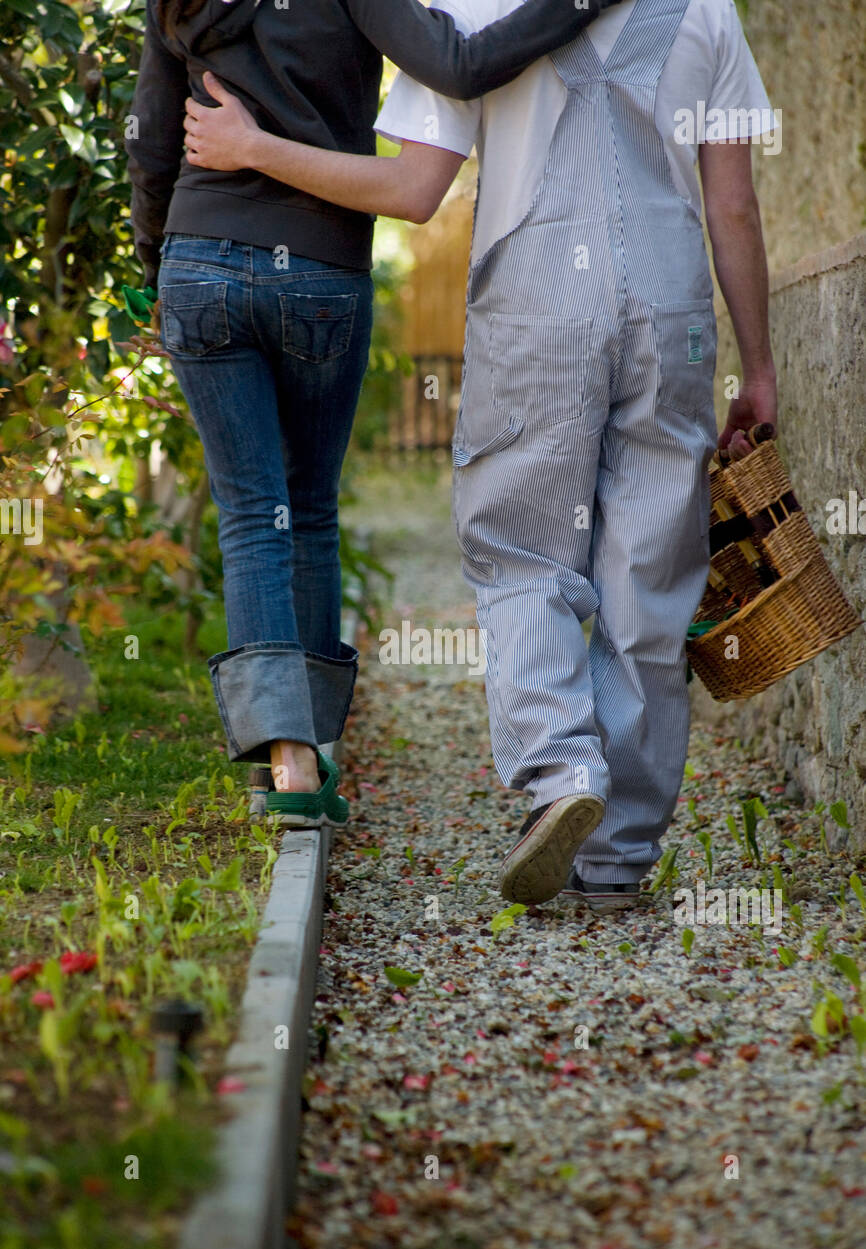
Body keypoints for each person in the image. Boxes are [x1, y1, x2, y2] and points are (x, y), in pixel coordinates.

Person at [182, 0, 778, 909]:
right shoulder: (706, 10)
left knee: (522, 550)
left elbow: (414, 191)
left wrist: (255, 149)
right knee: (652, 575)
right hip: (674, 309)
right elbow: (731, 203)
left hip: (539, 304)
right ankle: (617, 861)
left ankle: (559, 772)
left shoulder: (470, 12)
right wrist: (759, 366)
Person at [125, 0, 622, 828]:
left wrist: (161, 259)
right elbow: (461, 66)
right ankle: (307, 756)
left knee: (251, 511)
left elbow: (148, 140)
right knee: (307, 508)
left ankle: (284, 763)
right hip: (319, 271)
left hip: (199, 260)